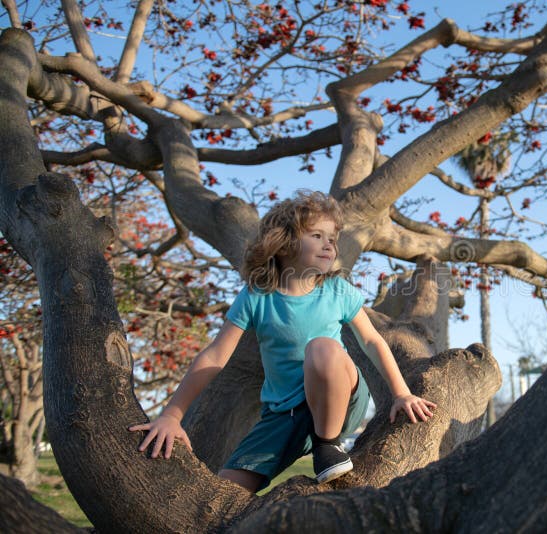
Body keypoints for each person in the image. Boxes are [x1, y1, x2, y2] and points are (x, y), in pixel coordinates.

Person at [128, 190, 436, 492]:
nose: (329, 244)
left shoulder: (337, 290)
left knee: (322, 347)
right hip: (283, 415)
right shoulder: (256, 295)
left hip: (339, 399)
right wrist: (171, 414)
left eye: (332, 238)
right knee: (225, 490)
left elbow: (372, 341)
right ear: (284, 242)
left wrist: (401, 394)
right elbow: (215, 356)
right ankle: (307, 447)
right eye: (317, 235)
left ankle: (327, 445)